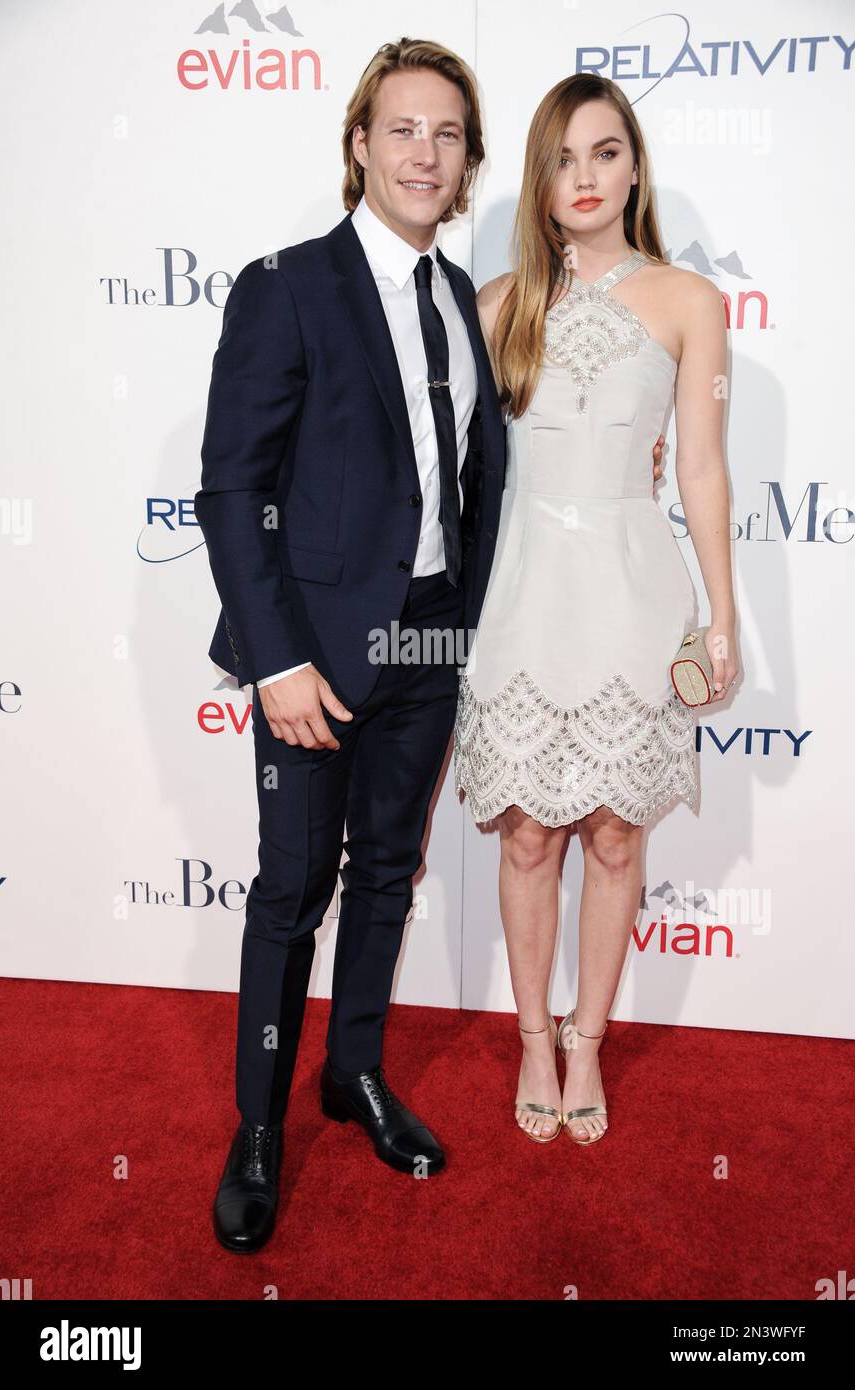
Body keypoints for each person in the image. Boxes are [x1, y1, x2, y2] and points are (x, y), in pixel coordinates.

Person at [195, 42, 665, 1253]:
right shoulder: (287, 284)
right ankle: (257, 1130)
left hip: (431, 643)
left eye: (447, 134)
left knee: (389, 877)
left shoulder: (470, 298)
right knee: (292, 891)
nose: (424, 152)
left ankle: (352, 1078)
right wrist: (275, 659)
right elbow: (231, 484)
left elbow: (493, 474)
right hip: (310, 655)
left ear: (464, 161)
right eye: (402, 129)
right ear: (359, 144)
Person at [453, 73, 740, 1146]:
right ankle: (531, 1036)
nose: (585, 176)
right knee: (525, 836)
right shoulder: (494, 306)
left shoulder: (686, 301)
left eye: (605, 152)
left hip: (631, 586)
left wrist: (719, 620)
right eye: (564, 157)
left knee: (615, 838)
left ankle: (586, 1041)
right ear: (540, 175)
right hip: (524, 595)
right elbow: (458, 477)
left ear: (633, 167)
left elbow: (701, 472)